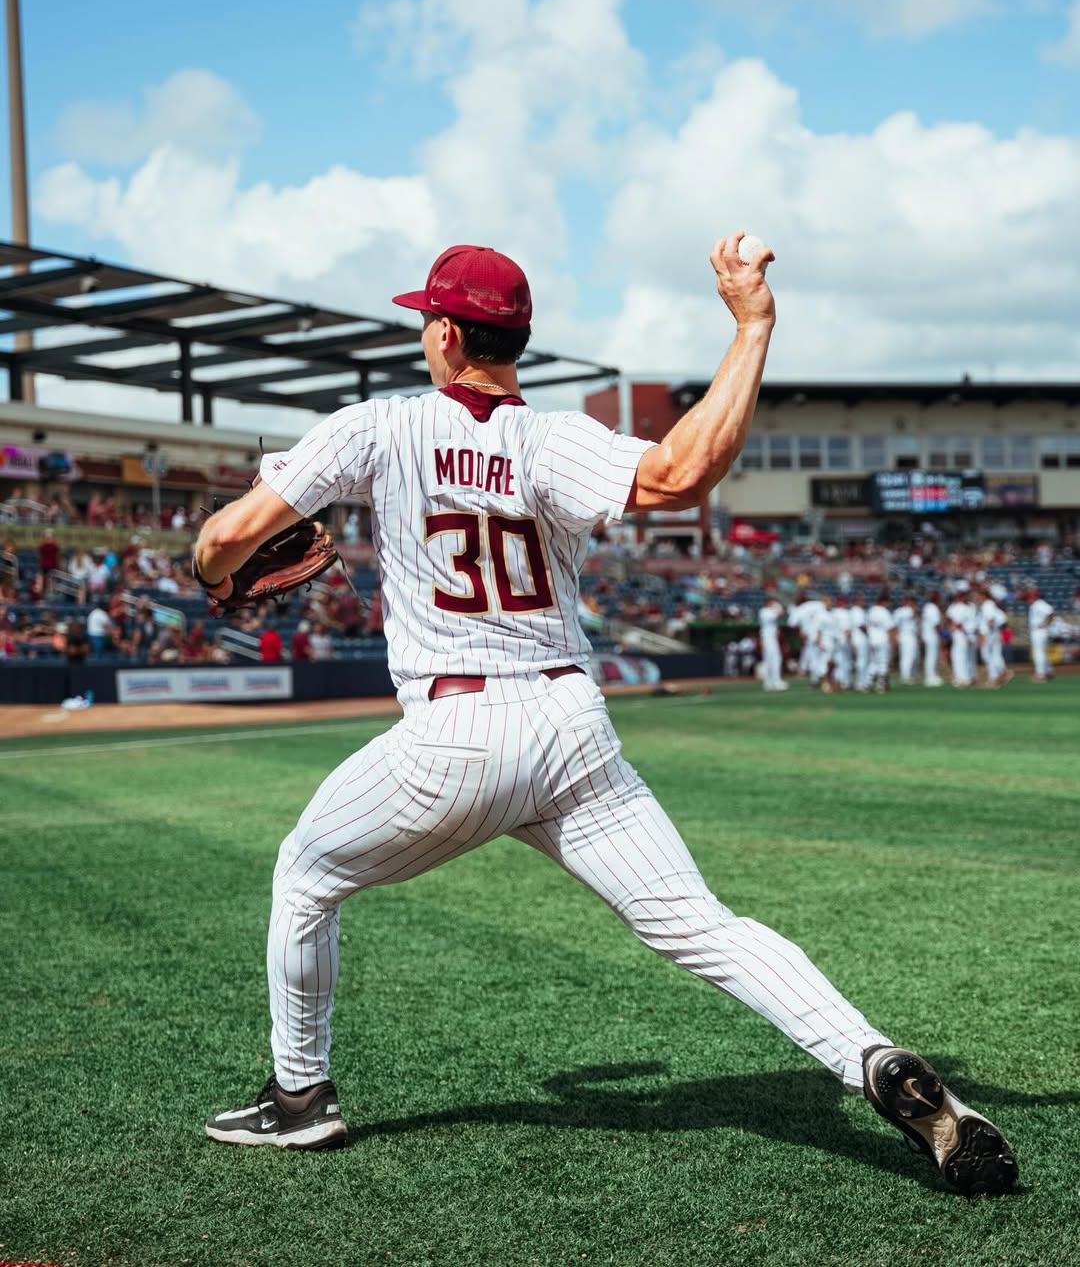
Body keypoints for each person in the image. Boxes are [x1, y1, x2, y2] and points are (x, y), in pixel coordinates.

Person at [195, 237, 1016, 1195]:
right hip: (571, 729)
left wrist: (214, 572)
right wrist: (752, 325)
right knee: (705, 926)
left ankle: (298, 1100)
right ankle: (872, 1058)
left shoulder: (379, 426)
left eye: (428, 317)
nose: (424, 330)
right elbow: (681, 474)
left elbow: (225, 540)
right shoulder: (557, 439)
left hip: (456, 736)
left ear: (450, 333)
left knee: (305, 872)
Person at [757, 591, 786, 691]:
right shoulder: (764, 611)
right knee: (774, 659)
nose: (774, 602)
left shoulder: (770, 610)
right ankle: (773, 681)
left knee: (772, 659)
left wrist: (777, 607)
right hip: (767, 638)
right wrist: (777, 606)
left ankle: (771, 682)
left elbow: (781, 613)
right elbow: (779, 614)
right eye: (772, 601)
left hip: (771, 638)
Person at [1026, 587, 1056, 682]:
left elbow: (1051, 612)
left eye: (1031, 595)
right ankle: (1049, 671)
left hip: (1039, 631)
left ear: (1036, 595)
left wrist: (1045, 623)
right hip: (1037, 631)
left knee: (1038, 653)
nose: (1029, 597)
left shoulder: (1040, 604)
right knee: (1042, 652)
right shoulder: (1035, 604)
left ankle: (1040, 674)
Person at [893, 593, 919, 684]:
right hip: (905, 634)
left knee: (913, 656)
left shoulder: (899, 611)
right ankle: (906, 676)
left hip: (909, 635)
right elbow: (914, 613)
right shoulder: (904, 610)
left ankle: (910, 675)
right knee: (908, 656)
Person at [920, 591, 944, 688]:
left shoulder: (927, 607)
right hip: (932, 635)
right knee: (932, 656)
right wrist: (941, 635)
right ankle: (930, 677)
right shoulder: (933, 608)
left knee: (931, 656)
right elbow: (936, 625)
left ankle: (932, 675)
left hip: (927, 634)